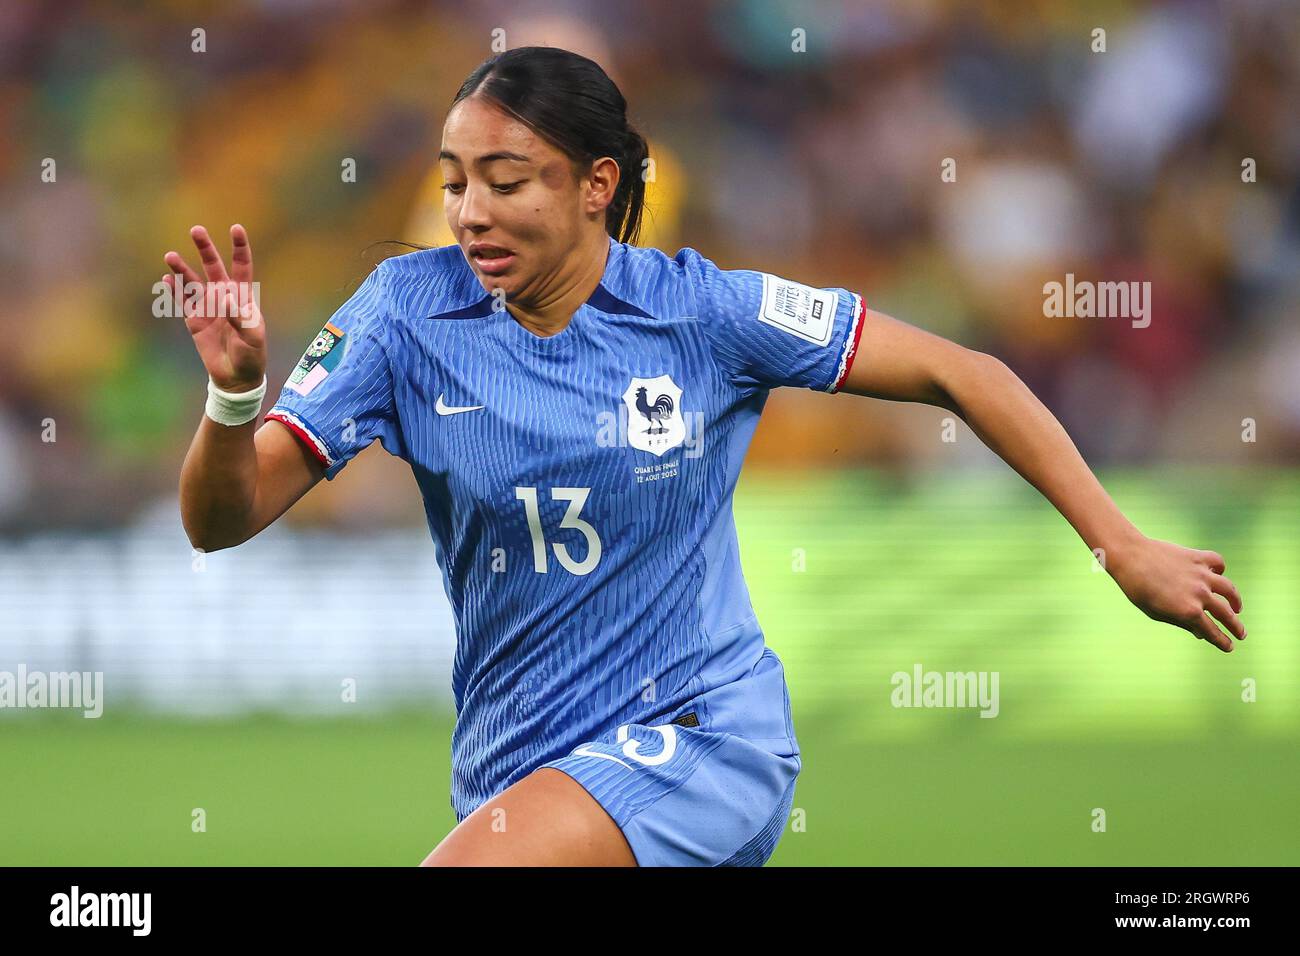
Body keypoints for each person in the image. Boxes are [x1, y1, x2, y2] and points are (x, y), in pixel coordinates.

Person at [168, 47, 1246, 867]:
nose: (470, 211)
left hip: (700, 738)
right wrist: (230, 396)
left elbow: (967, 373)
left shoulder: (704, 311)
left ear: (596, 185)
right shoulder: (407, 314)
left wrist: (1120, 546)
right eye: (455, 182)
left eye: (508, 179)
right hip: (517, 767)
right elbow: (220, 519)